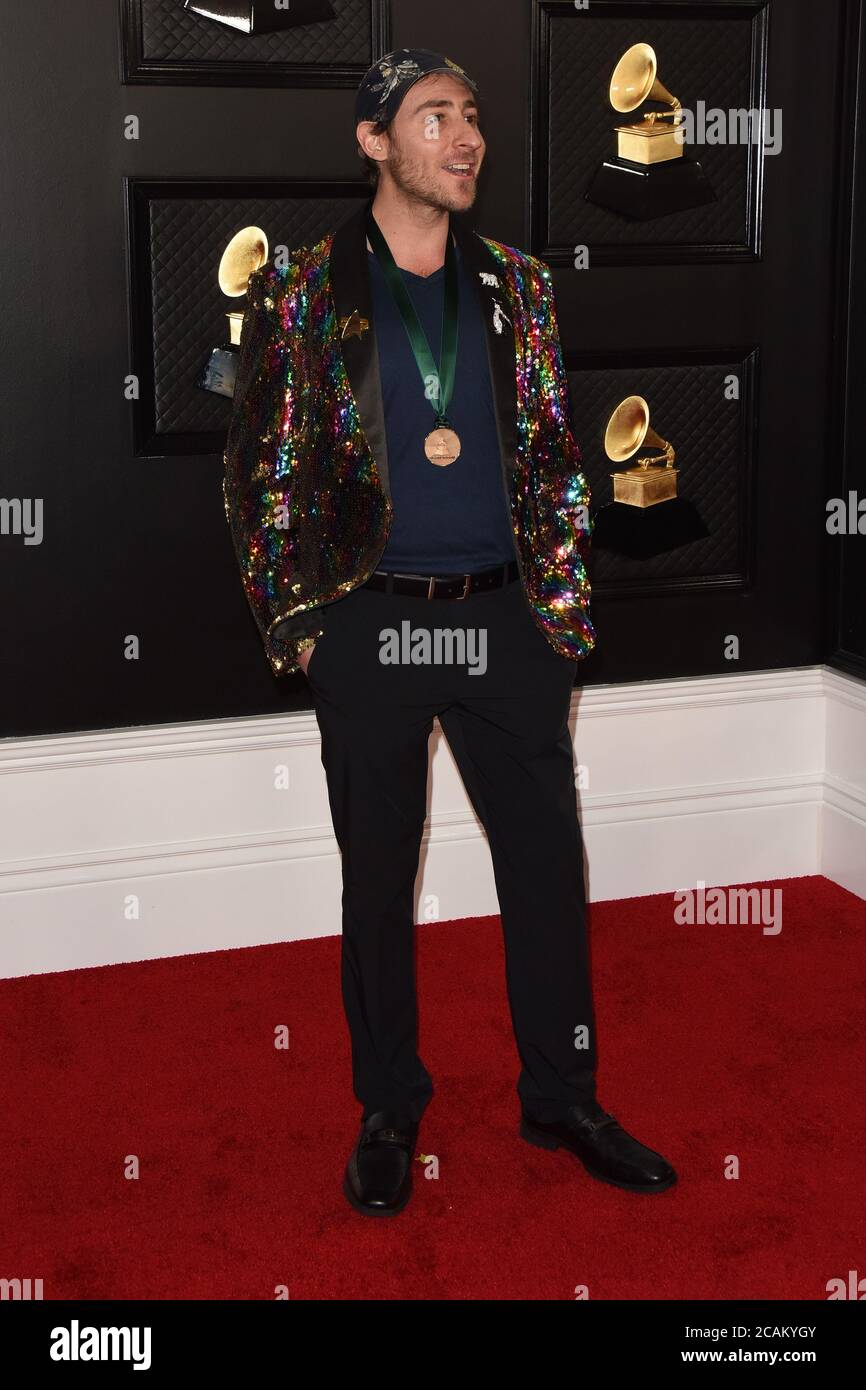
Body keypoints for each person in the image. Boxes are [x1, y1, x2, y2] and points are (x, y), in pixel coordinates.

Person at [223, 47, 677, 1216]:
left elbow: (556, 462)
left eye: (470, 116)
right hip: (372, 626)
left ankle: (561, 1096)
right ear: (374, 141)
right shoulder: (308, 289)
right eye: (435, 118)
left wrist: (561, 623)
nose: (465, 137)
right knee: (378, 877)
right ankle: (387, 1104)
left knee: (546, 867)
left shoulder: (519, 286)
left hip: (506, 625)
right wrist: (306, 628)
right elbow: (260, 473)